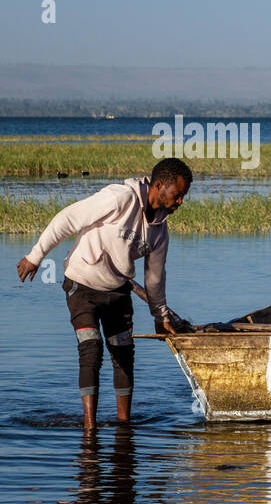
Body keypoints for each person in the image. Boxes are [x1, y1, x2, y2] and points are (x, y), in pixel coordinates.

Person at [16, 158, 193, 430]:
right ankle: (90, 428)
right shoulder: (119, 198)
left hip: (117, 290)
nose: (180, 201)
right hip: (82, 286)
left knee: (123, 353)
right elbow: (68, 218)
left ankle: (124, 424)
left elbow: (155, 277)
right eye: (177, 194)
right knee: (91, 348)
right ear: (159, 186)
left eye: (183, 196)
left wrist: (160, 315)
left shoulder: (160, 230)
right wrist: (35, 256)